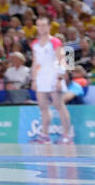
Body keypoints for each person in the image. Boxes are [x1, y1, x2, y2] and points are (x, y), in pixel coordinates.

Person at [30, 16, 74, 144]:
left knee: (59, 105)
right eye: (38, 25)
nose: (41, 28)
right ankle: (44, 135)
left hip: (54, 77)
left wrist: (60, 78)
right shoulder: (35, 43)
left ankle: (67, 135)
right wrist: (33, 80)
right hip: (41, 78)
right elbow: (34, 62)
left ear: (49, 27)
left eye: (43, 25)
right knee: (43, 106)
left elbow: (63, 60)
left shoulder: (55, 41)